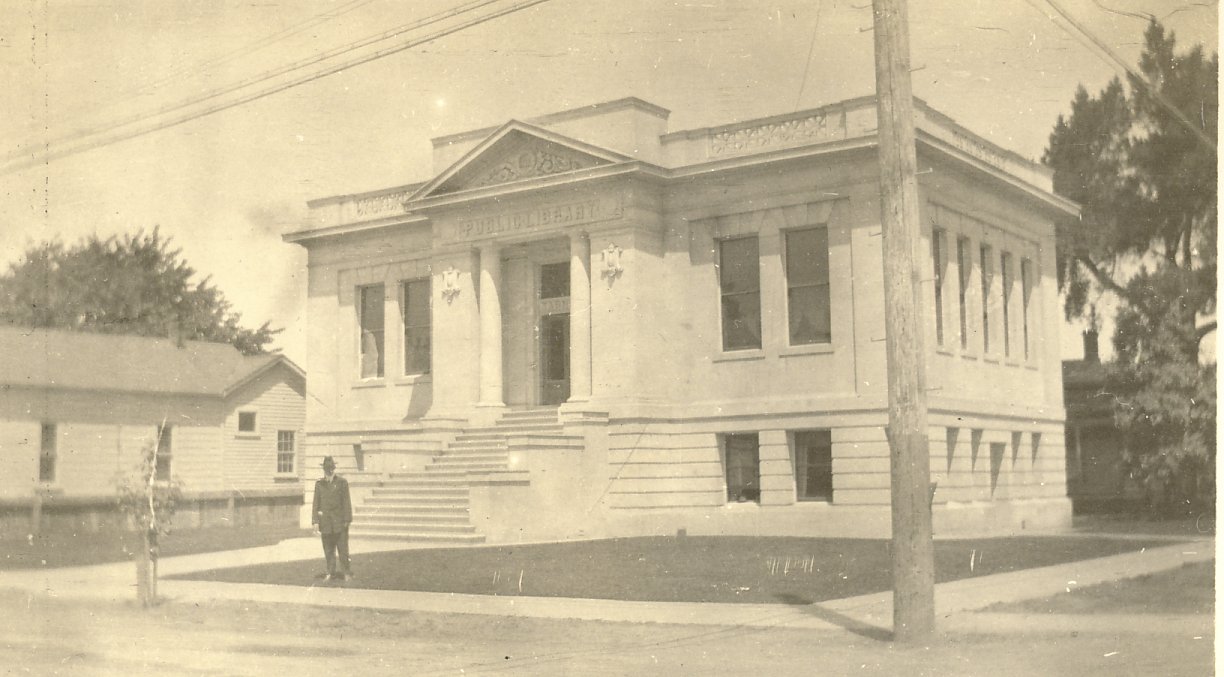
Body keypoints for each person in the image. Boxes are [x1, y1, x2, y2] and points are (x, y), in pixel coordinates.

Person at [312, 456, 353, 581]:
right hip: (326, 523)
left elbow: (346, 501)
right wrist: (315, 521)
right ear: (323, 469)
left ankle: (346, 572)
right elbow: (316, 503)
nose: (328, 470)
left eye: (330, 468)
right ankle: (330, 572)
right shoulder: (319, 484)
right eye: (326, 468)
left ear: (333, 468)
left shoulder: (342, 482)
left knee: (343, 549)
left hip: (340, 522)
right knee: (328, 550)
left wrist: (347, 519)